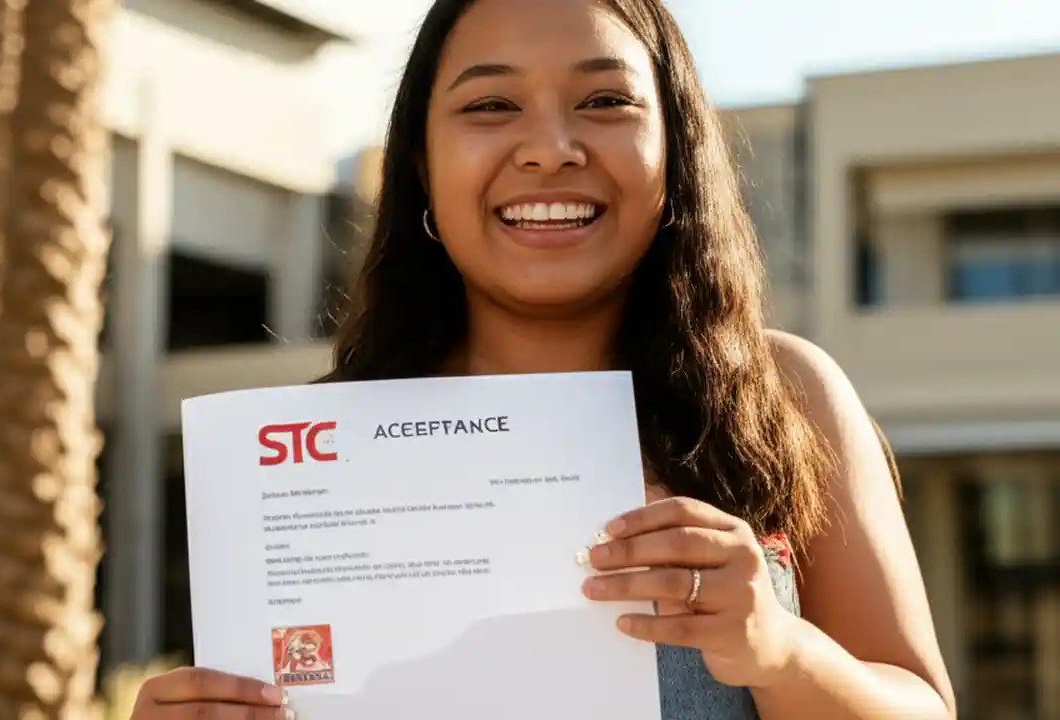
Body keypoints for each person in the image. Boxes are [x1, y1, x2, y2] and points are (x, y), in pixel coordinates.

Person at [131, 0, 957, 717]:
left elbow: (920, 707)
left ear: (674, 146)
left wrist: (780, 651)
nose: (551, 148)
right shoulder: (316, 455)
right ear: (422, 161)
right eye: (491, 105)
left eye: (604, 100)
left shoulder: (786, 395)